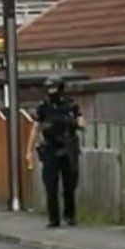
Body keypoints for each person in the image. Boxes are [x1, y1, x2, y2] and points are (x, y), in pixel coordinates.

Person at [25, 75, 85, 228]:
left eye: (54, 88)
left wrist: (77, 123)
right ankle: (54, 219)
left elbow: (82, 121)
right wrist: (29, 151)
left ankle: (70, 216)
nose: (51, 91)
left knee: (70, 185)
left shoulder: (71, 105)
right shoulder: (43, 107)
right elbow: (35, 129)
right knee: (50, 186)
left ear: (60, 89)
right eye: (49, 88)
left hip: (68, 148)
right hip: (51, 149)